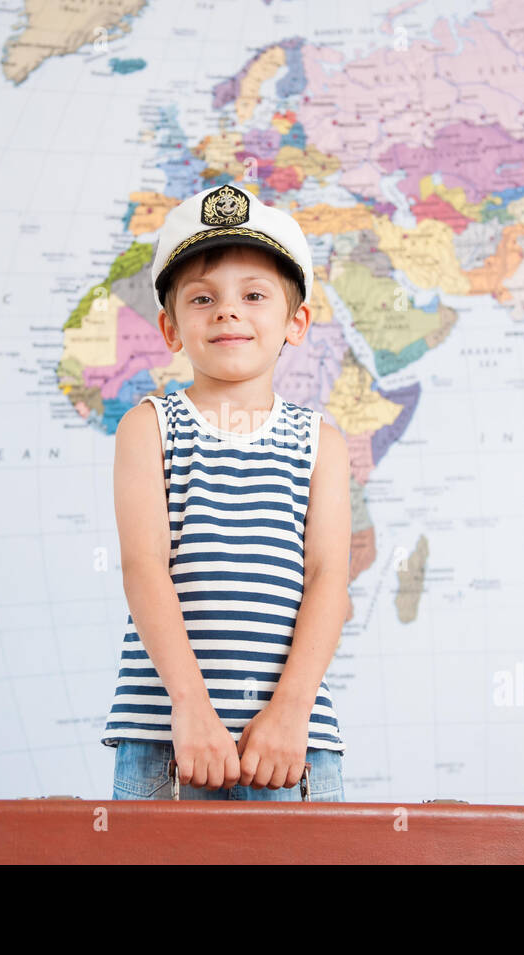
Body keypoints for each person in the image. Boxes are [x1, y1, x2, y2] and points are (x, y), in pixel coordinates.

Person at [101, 182, 350, 801]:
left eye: (254, 295)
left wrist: (292, 711)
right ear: (170, 326)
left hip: (294, 746)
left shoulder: (321, 442)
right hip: (168, 739)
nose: (228, 311)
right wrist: (188, 707)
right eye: (203, 297)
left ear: (296, 322)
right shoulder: (150, 428)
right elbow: (144, 568)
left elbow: (327, 580)